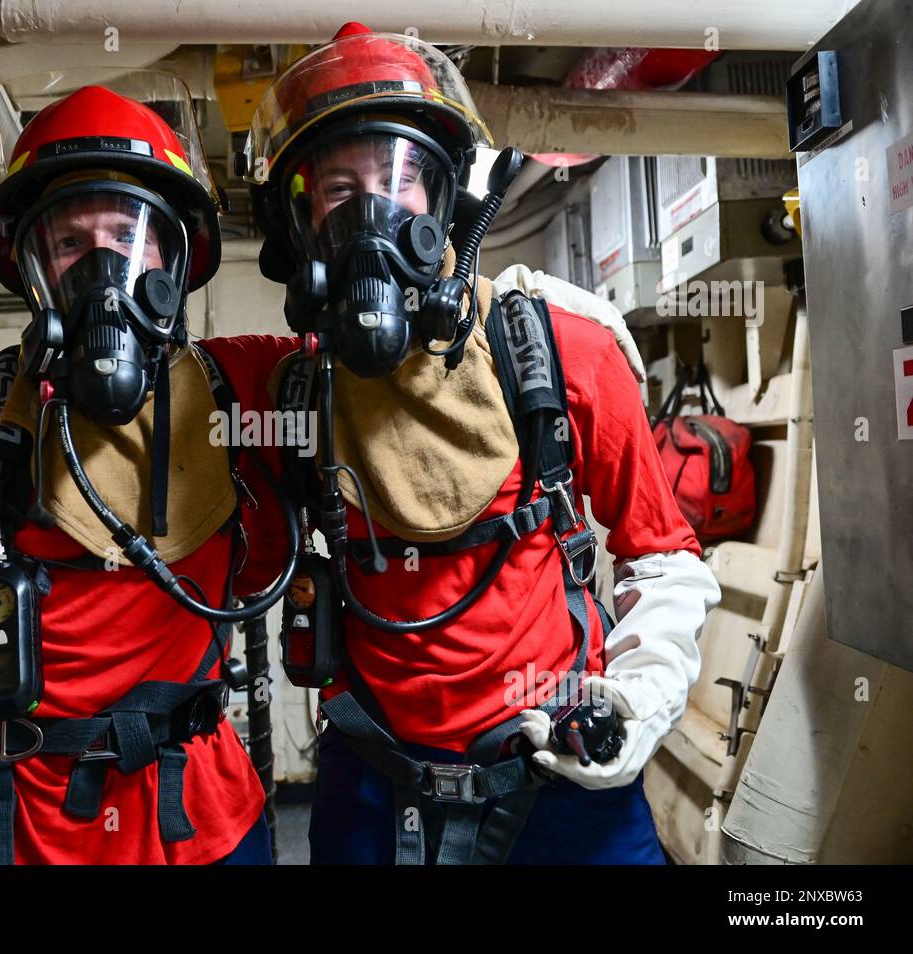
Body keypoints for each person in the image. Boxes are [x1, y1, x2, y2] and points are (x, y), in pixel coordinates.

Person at [245, 22, 721, 864]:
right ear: (302, 230)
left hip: (558, 771)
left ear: (446, 204)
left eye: (398, 182)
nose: (371, 215)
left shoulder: (555, 347)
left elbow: (664, 556)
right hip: (373, 783)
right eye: (338, 189)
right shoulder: (288, 388)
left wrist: (635, 709)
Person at [0, 85, 295, 865]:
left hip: (199, 824)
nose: (102, 269)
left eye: (128, 236)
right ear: (32, 270)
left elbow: (378, 387)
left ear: (173, 260)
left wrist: (518, 309)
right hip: (14, 830)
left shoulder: (242, 393)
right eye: (70, 244)